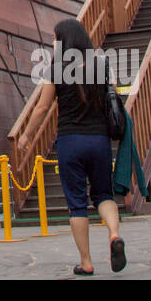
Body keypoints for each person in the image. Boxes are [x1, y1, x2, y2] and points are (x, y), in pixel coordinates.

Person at [35, 17, 124, 276]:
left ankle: (86, 262)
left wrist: (28, 136)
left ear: (63, 40)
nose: (53, 42)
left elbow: (42, 108)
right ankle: (114, 234)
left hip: (70, 141)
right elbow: (113, 97)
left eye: (55, 38)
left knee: (77, 204)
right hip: (99, 140)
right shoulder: (103, 65)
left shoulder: (56, 69)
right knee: (104, 196)